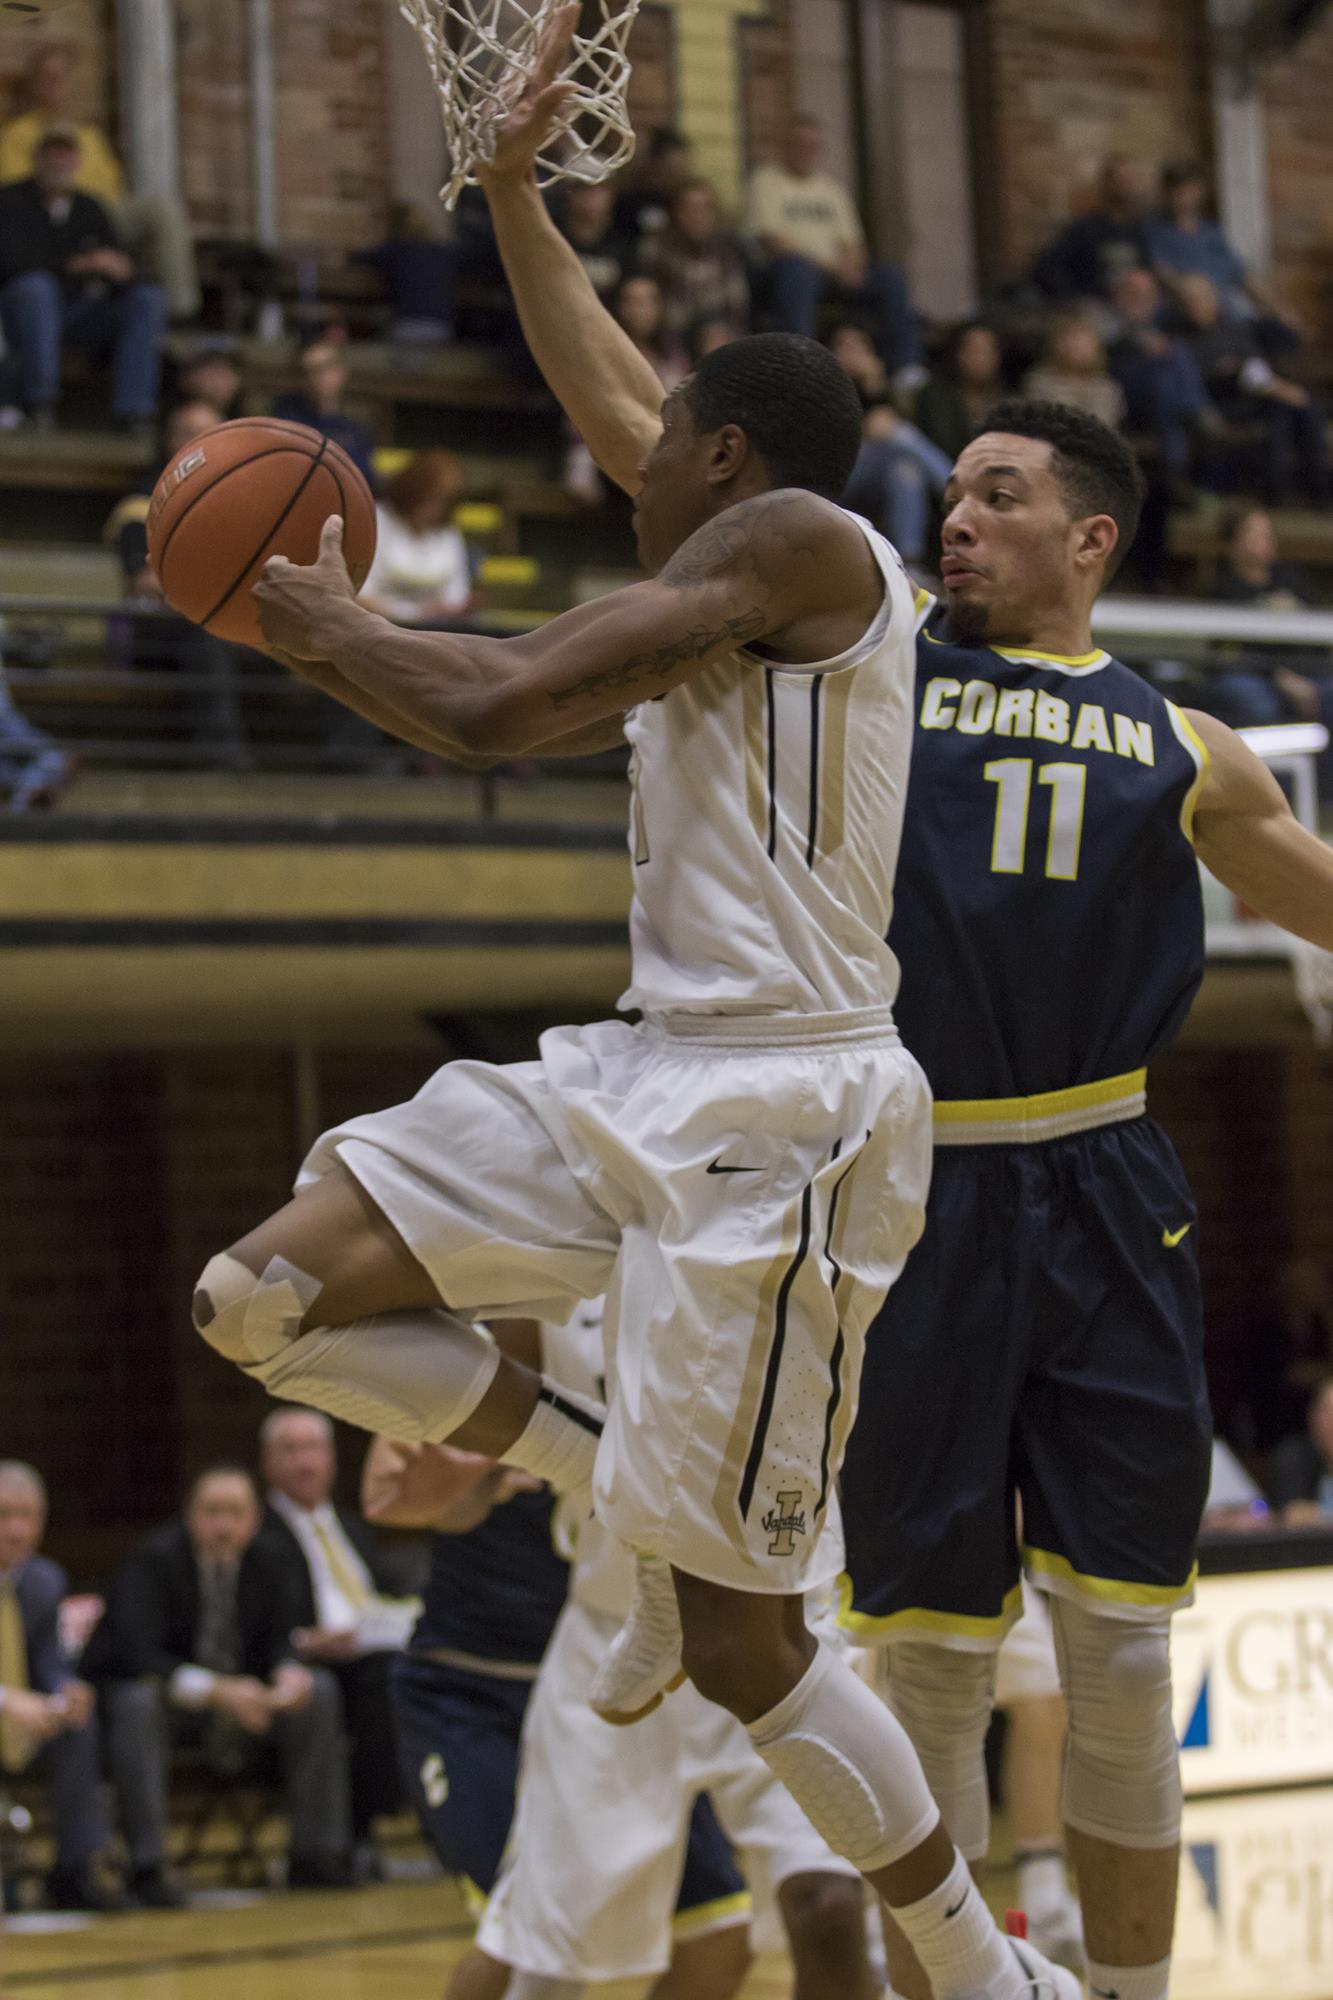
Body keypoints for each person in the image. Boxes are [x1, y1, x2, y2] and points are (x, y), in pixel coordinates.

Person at [193, 18, 1080, 2000]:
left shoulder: (793, 547)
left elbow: (497, 705)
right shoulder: (730, 514)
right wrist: (509, 189)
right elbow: (611, 393)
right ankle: (595, 1448)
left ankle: (989, 1970)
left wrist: (306, 608)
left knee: (752, 1639)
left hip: (790, 1116)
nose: (624, 455)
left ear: (727, 464)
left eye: (659, 444)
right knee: (260, 1294)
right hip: (643, 1071)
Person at [834, 396, 1333, 2000]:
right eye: (953, 493)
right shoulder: (874, 658)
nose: (953, 517)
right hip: (912, 1183)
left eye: (997, 494)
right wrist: (513, 203)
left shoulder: (1189, 746)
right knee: (925, 1659)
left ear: (1090, 538)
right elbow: (670, 442)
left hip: (1108, 1181)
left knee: (1120, 1651)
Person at [363, 1310, 756, 2000]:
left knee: (719, 1940)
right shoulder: (492, 1341)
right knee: (522, 1941)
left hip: (612, 1701)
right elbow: (393, 1494)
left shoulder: (666, 1339)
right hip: (473, 1691)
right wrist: (473, 1478)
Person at [84, 1465, 354, 1903]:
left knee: (318, 1693)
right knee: (136, 1704)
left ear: (254, 1519)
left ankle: (317, 1854)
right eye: (212, 1512)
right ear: (190, 1516)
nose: (223, 1526)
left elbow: (286, 1635)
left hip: (248, 1699)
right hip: (173, 1699)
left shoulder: (272, 1558)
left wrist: (288, 1672)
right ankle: (147, 1864)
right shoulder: (153, 1559)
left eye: (235, 1513)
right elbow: (137, 1653)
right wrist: (219, 1692)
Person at [257, 1407, 414, 1874]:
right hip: (304, 1662)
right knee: (379, 1680)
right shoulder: (259, 1533)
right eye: (291, 1450)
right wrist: (305, 1641)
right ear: (267, 1462)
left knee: (415, 1670)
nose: (305, 1463)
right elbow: (259, 1623)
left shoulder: (354, 1526)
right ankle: (358, 1827)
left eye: (313, 1449)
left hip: (372, 1650)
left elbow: (385, 1594)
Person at [0, 38, 199, 319]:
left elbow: (112, 184)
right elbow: (16, 189)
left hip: (99, 213)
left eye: (61, 76)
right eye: (47, 77)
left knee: (163, 210)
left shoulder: (88, 135)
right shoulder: (17, 133)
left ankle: (179, 311)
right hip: (51, 216)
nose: (55, 83)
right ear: (34, 82)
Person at [0, 1461, 117, 1913]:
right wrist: (9, 1702)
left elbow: (49, 1662)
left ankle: (74, 1870)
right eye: (4, 1515)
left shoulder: (44, 1580)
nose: (15, 1529)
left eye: (27, 1516)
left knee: (77, 1726)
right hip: (9, 1708)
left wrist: (67, 1690)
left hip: (22, 1719)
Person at [0, 126, 165, 432]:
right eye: (51, 155)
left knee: (144, 299)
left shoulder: (90, 208)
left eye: (66, 155)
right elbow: (12, 262)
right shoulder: (10, 201)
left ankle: (135, 410)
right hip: (23, 313)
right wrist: (80, 263)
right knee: (37, 289)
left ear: (76, 162)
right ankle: (41, 401)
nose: (58, 162)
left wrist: (122, 269)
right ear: (36, 159)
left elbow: (115, 256)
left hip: (81, 310)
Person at [746, 116, 923, 387]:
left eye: (812, 145)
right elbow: (771, 239)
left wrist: (853, 266)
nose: (806, 150)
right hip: (790, 272)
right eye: (799, 144)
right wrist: (830, 266)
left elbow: (853, 240)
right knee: (798, 271)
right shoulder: (766, 181)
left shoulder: (830, 189)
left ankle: (906, 369)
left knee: (890, 276)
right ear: (786, 146)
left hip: (836, 275)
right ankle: (801, 364)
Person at [1174, 272, 1329, 505]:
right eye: (1189, 301)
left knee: (1297, 410)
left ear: (1213, 299)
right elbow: (1215, 374)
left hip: (1257, 397)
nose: (1195, 306)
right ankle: (1290, 490)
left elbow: (1253, 364)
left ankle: (1309, 488)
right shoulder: (1182, 339)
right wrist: (1280, 390)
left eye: (1201, 299)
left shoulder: (1233, 328)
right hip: (1219, 405)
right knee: (1290, 406)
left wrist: (1275, 387)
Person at [1147, 161, 1305, 358]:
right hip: (1193, 310)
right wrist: (1198, 294)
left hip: (1231, 308)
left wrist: (1276, 307)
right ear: (1167, 192)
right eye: (1180, 190)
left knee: (1280, 331)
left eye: (1191, 189)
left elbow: (1241, 275)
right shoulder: (1157, 232)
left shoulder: (1211, 233)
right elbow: (1162, 273)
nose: (1186, 196)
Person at [831, 322, 952, 566]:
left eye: (859, 345)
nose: (852, 352)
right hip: (832, 472)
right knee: (900, 435)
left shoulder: (873, 385)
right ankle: (954, 489)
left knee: (906, 469)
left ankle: (909, 563)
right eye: (844, 345)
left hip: (873, 469)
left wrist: (875, 383)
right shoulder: (821, 386)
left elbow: (881, 421)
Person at [1105, 265, 1215, 476]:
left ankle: (1175, 470)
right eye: (1133, 293)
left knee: (1164, 381)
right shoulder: (1107, 319)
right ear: (1118, 295)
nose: (1141, 299)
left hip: (1159, 400)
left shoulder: (1163, 323)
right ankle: (1197, 409)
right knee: (1173, 356)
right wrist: (1139, 344)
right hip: (1122, 391)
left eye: (1148, 294)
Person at [359, 452, 474, 625]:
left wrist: (450, 607)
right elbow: (361, 591)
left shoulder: (448, 531)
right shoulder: (376, 520)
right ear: (412, 491)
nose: (434, 509)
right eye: (430, 499)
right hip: (378, 625)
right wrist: (414, 614)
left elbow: (457, 589)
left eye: (443, 502)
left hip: (436, 629)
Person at [641, 179, 751, 348]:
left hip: (717, 335)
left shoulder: (727, 251)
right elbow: (657, 307)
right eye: (689, 209)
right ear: (676, 212)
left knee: (716, 332)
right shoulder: (657, 249)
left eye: (704, 209)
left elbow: (736, 306)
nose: (697, 216)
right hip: (671, 335)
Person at [1032, 156, 1154, 304]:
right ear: (1107, 185)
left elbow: (1147, 270)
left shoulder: (1138, 230)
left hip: (1135, 308)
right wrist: (1074, 299)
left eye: (1129, 180)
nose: (1126, 186)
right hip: (1099, 308)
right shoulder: (1086, 229)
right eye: (1120, 180)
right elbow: (1048, 266)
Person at [272, 338, 377, 490]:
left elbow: (367, 482)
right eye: (312, 370)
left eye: (328, 367)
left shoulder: (357, 431)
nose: (321, 377)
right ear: (301, 379)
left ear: (342, 371)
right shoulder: (288, 425)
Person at [912, 323, 1007, 464]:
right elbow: (941, 446)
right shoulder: (935, 395)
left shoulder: (1007, 399)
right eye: (974, 350)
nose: (980, 357)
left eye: (988, 350)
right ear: (957, 353)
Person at [1022, 314, 1126, 431]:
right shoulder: (1040, 382)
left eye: (1085, 341)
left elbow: (1108, 426)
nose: (1077, 347)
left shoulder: (1107, 386)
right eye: (1072, 339)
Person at [551, 179, 637, 308]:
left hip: (606, 321)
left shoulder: (623, 240)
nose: (590, 196)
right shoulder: (550, 236)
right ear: (569, 193)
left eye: (598, 188)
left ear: (611, 194)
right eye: (582, 188)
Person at [1268, 1377, 1333, 1522]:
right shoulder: (1293, 1456)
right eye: (1328, 1414)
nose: (1330, 1424)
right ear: (1313, 1417)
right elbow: (1293, 1514)